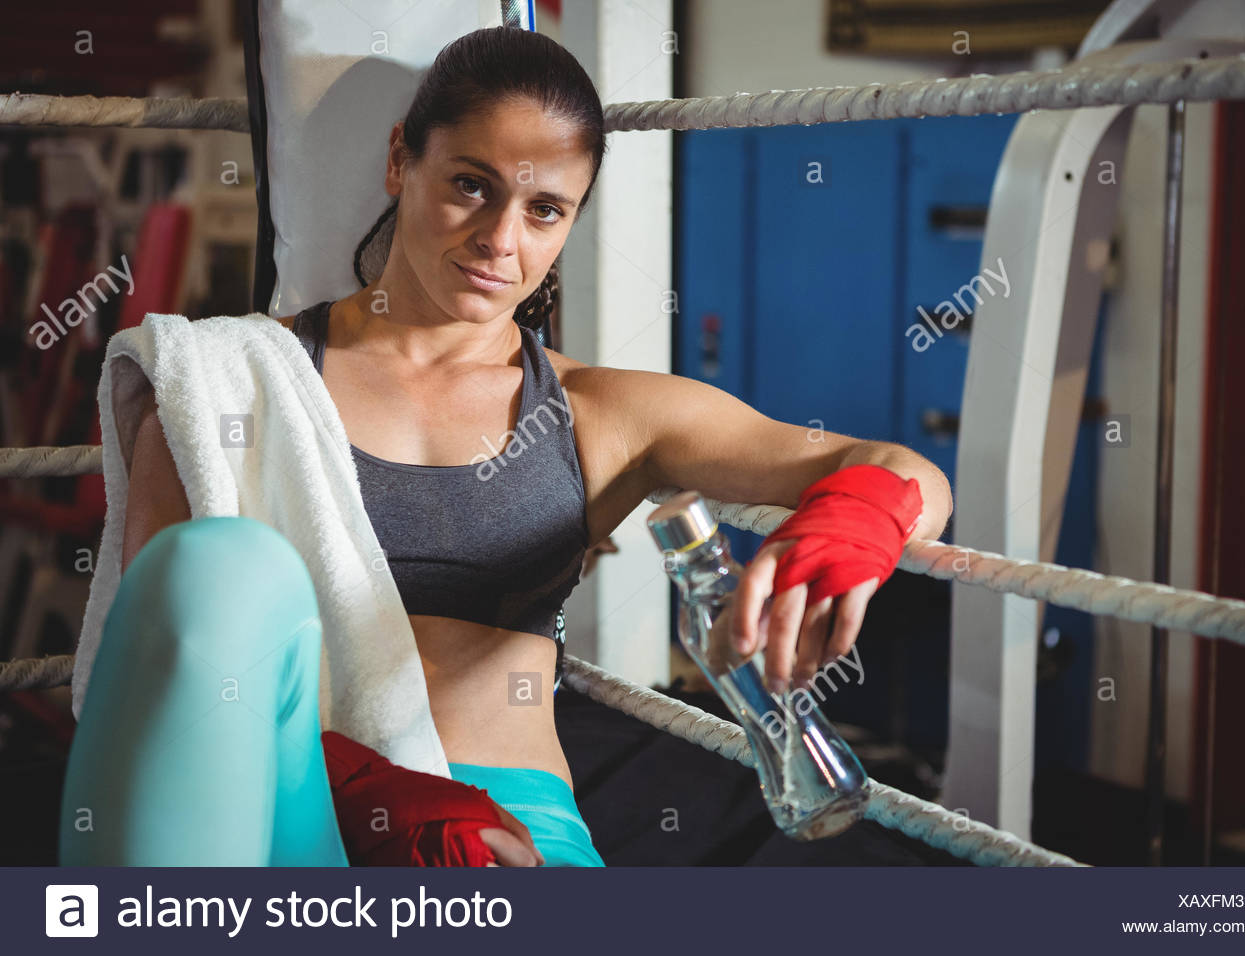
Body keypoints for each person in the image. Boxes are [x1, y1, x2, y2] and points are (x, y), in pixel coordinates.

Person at [59, 26, 952, 868]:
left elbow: (901, 470)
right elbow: (169, 654)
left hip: (509, 835)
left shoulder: (596, 409)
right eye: (471, 185)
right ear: (401, 158)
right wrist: (376, 793)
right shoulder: (226, 377)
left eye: (545, 209)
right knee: (218, 566)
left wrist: (846, 529)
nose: (500, 240)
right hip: (268, 799)